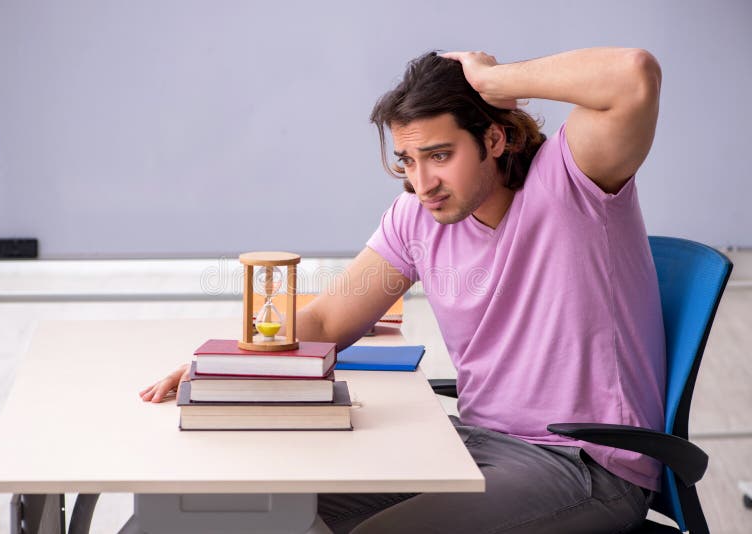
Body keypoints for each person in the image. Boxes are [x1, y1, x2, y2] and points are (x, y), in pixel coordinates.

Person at [140, 47, 664, 533]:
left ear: (494, 139)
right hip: (476, 444)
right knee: (273, 504)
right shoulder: (417, 219)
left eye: (439, 155)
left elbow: (635, 74)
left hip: (585, 462)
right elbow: (327, 321)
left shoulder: (573, 182)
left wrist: (493, 80)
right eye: (407, 161)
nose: (422, 182)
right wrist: (232, 362)